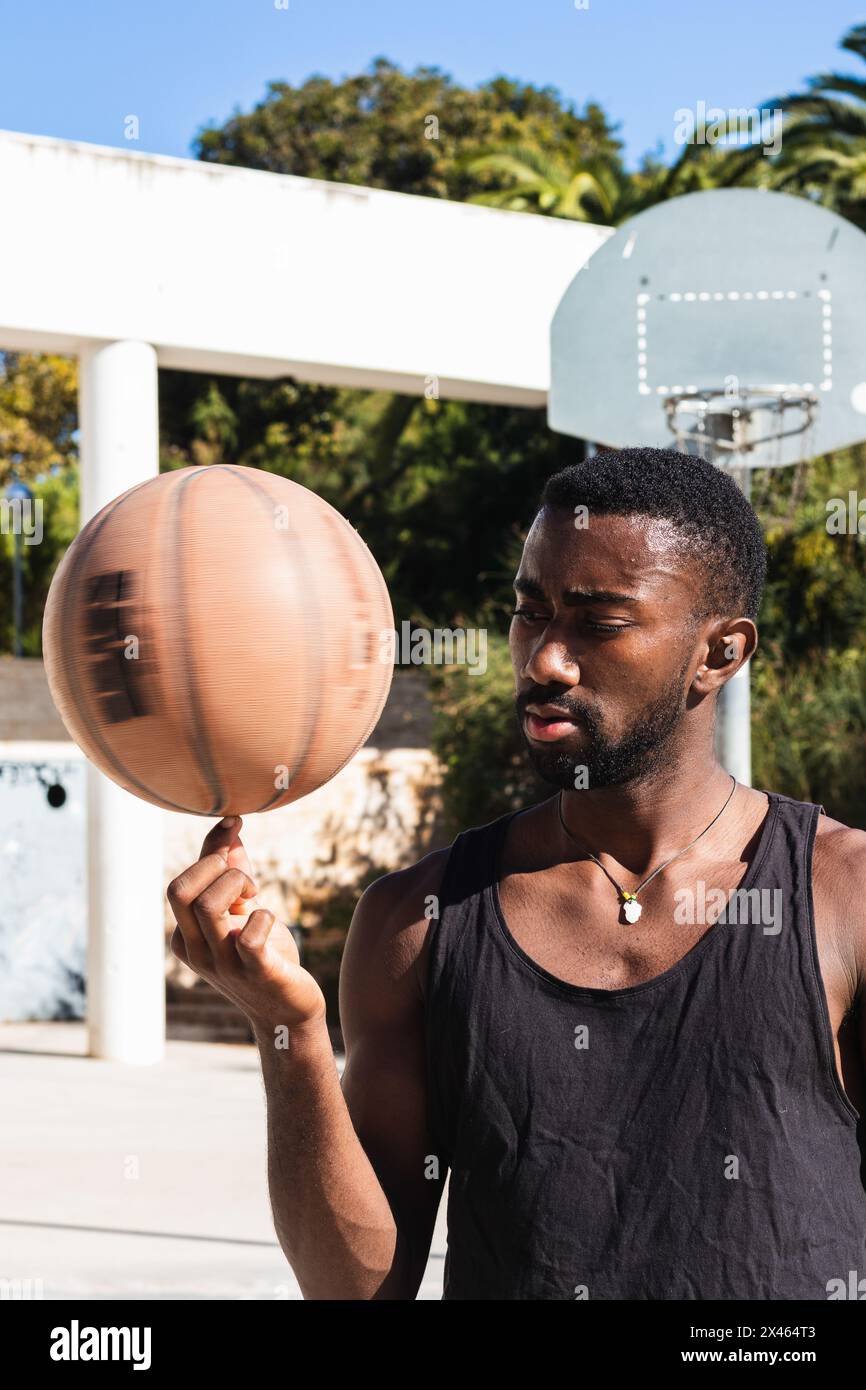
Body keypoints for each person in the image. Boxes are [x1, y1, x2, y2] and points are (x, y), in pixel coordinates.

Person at [167, 446, 866, 1300]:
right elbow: (354, 1290)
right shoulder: (417, 920)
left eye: (598, 623)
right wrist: (289, 1032)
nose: (544, 661)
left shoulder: (844, 896)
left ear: (719, 655)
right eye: (529, 612)